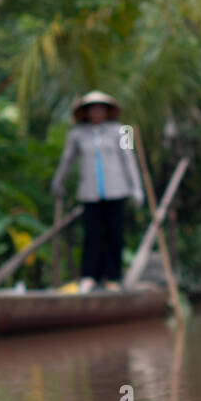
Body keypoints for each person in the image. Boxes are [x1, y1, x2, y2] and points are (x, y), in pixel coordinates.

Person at [50, 91, 144, 292]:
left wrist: (136, 188)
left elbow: (129, 160)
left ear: (107, 111)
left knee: (115, 234)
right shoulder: (76, 134)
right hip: (89, 193)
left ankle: (113, 277)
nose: (97, 112)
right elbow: (67, 160)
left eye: (100, 108)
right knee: (92, 235)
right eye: (93, 109)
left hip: (116, 191)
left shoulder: (121, 130)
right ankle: (89, 276)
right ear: (86, 112)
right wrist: (58, 183)